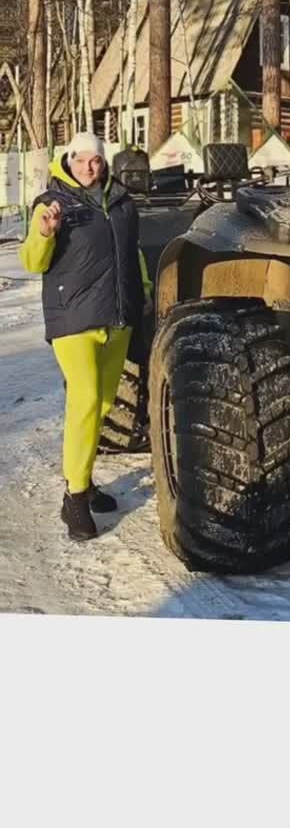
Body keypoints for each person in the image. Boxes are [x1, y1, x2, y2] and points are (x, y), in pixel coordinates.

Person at [19, 132, 152, 543]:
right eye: (81, 160)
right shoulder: (53, 203)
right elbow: (32, 260)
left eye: (95, 161)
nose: (88, 167)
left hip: (117, 319)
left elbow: (132, 253)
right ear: (68, 160)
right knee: (86, 399)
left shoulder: (122, 202)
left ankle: (85, 477)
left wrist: (143, 291)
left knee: (105, 403)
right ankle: (75, 497)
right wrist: (45, 232)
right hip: (73, 318)